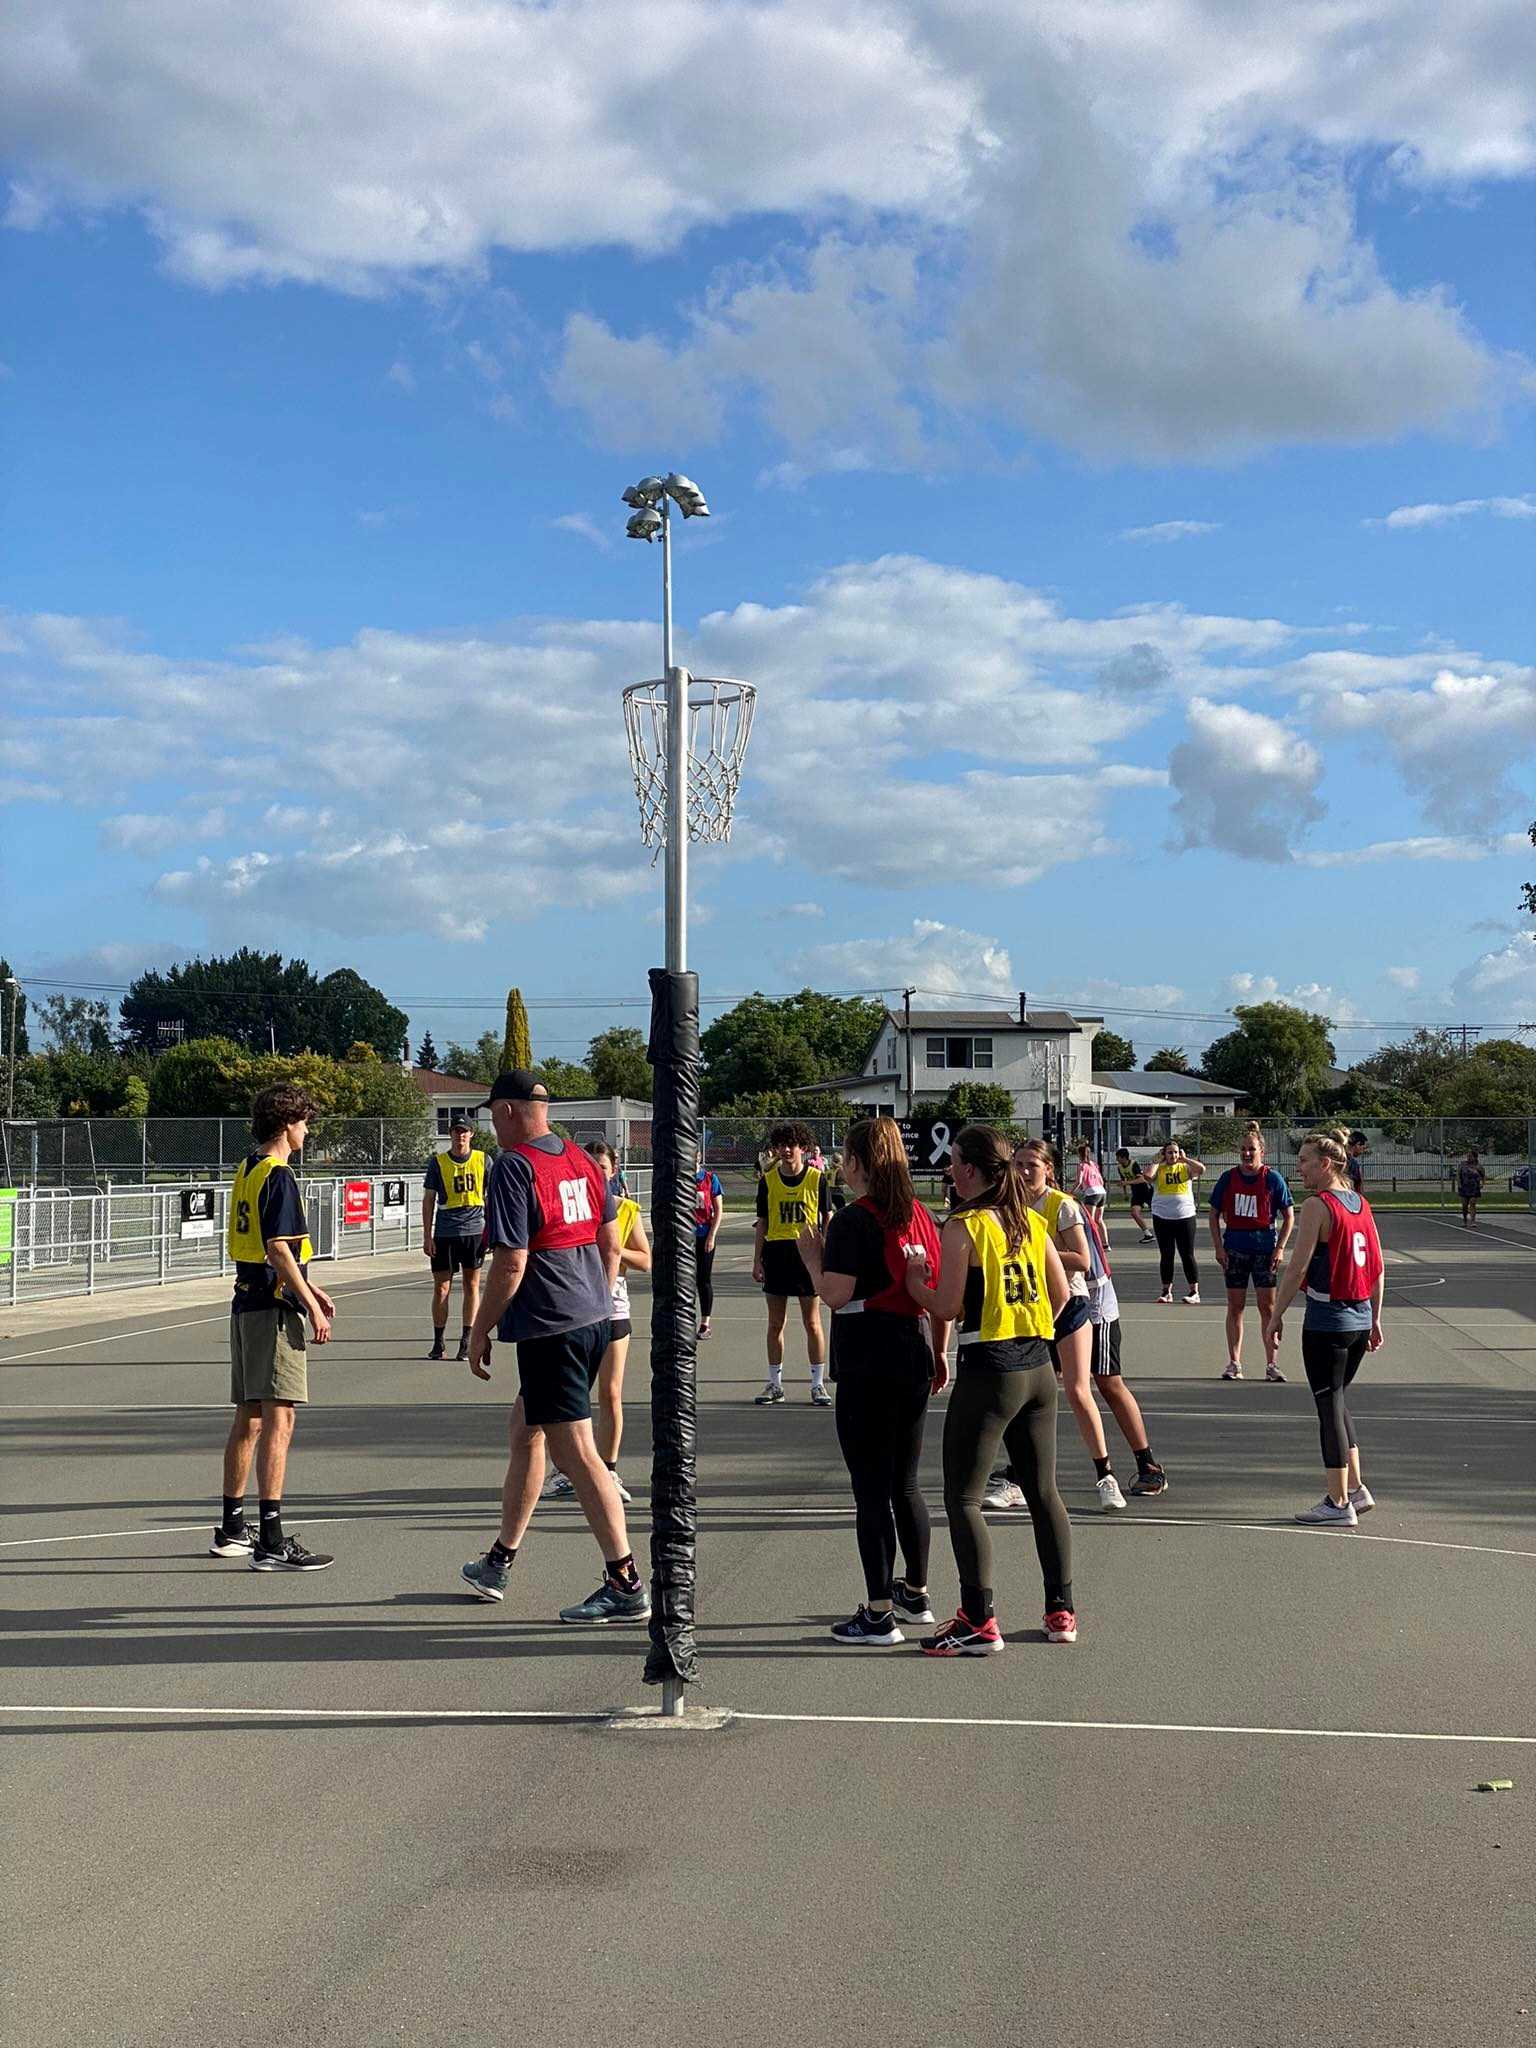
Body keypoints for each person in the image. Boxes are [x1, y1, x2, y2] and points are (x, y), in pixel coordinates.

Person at [459, 1072, 647, 1624]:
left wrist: (479, 1328)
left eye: (493, 1114)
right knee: (526, 1432)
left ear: (513, 1110)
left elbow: (511, 1261)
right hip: (591, 1317)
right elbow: (610, 1240)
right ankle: (499, 1559)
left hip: (551, 1326)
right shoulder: (582, 1160)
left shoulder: (515, 1167)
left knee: (577, 1455)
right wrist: (593, 1292)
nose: (491, 1125)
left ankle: (625, 1580)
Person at [906, 1124, 1077, 1654]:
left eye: (955, 1161)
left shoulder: (966, 1225)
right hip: (1039, 1368)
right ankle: (1060, 1610)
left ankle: (978, 1619)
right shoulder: (1029, 1218)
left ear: (973, 1170)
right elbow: (1064, 1292)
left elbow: (950, 1306)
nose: (949, 1170)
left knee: (963, 1497)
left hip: (990, 1367)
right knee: (1043, 1491)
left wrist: (916, 1280)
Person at [798, 1118, 948, 1646]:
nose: (841, 1164)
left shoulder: (853, 1221)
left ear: (859, 1163)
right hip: (913, 1342)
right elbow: (933, 1283)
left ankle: (879, 1611)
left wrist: (812, 1261)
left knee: (869, 1487)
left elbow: (836, 1295)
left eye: (845, 1156)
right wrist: (940, 1348)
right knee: (905, 1481)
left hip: (868, 1352)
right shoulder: (923, 1215)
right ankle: (917, 1591)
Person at [211, 1083, 336, 1572]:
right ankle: (271, 1539)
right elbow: (279, 1248)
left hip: (245, 1304)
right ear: (288, 1125)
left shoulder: (248, 1168)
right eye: (304, 1122)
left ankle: (231, 1527)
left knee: (249, 1419)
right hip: (272, 1309)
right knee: (280, 1420)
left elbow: (266, 1248)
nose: (307, 1130)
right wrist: (310, 1304)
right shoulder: (280, 1175)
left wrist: (311, 1283)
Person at [1002, 1140, 1164, 1508]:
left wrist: (1036, 1252)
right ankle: (1017, 1474)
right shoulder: (1013, 1206)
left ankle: (1147, 1463)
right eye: (1019, 1164)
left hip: (1090, 1301)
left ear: (1049, 1170)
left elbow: (1081, 1259)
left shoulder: (1062, 1206)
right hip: (1043, 1305)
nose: (1024, 1171)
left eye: (1032, 1164)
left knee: (1105, 1383)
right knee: (1033, 1390)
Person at [1264, 1127, 1384, 1527]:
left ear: (1326, 1164)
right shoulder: (1361, 1204)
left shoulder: (1320, 1205)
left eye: (1304, 1161)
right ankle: (1357, 1488)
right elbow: (1378, 1268)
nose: (1298, 1168)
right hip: (1359, 1316)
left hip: (1329, 1321)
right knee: (1337, 1399)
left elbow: (1297, 1266)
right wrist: (1376, 1317)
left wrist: (1275, 1314)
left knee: (1328, 1405)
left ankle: (1337, 1502)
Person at [540, 1139, 651, 1504]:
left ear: (613, 1171)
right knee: (568, 1397)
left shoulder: (627, 1210)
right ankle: (566, 1470)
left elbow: (646, 1259)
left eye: (603, 1168)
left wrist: (616, 1252)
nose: (597, 1174)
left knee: (611, 1392)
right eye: (591, 1167)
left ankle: (609, 1468)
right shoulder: (573, 1206)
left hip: (613, 1309)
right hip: (576, 1309)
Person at [752, 1120, 831, 1406]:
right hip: (777, 1255)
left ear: (803, 1148)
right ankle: (775, 1384)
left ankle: (818, 1384)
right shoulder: (768, 1180)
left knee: (813, 1323)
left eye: (791, 1145)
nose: (785, 1150)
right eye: (780, 1145)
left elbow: (826, 1219)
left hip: (807, 1257)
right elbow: (762, 1222)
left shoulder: (816, 1179)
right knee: (775, 1324)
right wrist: (757, 1260)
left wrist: (826, 1255)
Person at [1208, 1122, 1294, 1382]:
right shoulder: (1228, 1178)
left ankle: (1272, 1364)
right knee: (1235, 1307)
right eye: (1243, 1149)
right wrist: (1219, 1247)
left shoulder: (1272, 1179)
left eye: (1252, 1149)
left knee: (1268, 1308)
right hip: (1235, 1249)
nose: (1247, 1154)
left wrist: (1279, 1248)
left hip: (1264, 1251)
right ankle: (1234, 1362)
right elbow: (1213, 1214)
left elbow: (1289, 1215)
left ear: (1261, 1152)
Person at [421, 1112, 487, 1362]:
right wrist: (427, 1236)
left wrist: (491, 1231)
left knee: (471, 1285)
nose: (460, 1135)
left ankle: (466, 1339)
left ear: (471, 1134)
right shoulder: (438, 1163)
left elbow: (491, 1198)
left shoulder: (483, 1160)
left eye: (464, 1131)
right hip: (446, 1232)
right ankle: (438, 1342)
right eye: (456, 1131)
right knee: (442, 1288)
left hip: (473, 1232)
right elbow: (429, 1200)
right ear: (450, 1134)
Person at [1150, 1139, 1205, 1304]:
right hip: (1162, 1217)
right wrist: (1157, 1161)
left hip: (1185, 1217)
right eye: (1169, 1152)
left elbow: (1201, 1169)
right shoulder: (1159, 1168)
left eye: (1175, 1152)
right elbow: (1147, 1176)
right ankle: (1166, 1291)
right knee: (1166, 1255)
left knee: (1187, 1254)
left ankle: (1194, 1292)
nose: (1173, 1155)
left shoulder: (1186, 1168)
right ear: (1164, 1154)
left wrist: (1185, 1159)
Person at [695, 1160, 724, 1337]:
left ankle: (705, 1323)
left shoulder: (710, 1179)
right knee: (683, 1281)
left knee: (703, 1280)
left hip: (704, 1235)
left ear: (698, 1158)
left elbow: (718, 1209)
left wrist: (711, 1235)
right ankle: (684, 1320)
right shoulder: (680, 1179)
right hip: (685, 1238)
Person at [1072, 1139, 1109, 1245]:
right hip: (1102, 1192)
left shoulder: (1082, 1166)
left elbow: (1078, 1181)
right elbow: (1101, 1180)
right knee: (1099, 1220)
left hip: (1092, 1192)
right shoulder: (1094, 1164)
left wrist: (1071, 1192)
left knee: (1090, 1220)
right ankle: (1105, 1243)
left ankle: (1093, 1243)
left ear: (1080, 1154)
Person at [1127, 1156, 1154, 1242]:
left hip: (1146, 1191)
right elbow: (1123, 1180)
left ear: (1123, 1158)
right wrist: (1125, 1193)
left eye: (1118, 1157)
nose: (1117, 1160)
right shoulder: (1120, 1167)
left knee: (1158, 1213)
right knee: (1134, 1212)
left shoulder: (1133, 1165)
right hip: (1136, 1193)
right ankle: (1148, 1234)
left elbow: (1142, 1179)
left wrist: (1127, 1182)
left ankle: (1171, 1231)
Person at [1457, 1147, 1486, 1227]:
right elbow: (1458, 1175)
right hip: (1464, 1187)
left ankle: (1473, 1221)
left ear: (1475, 1157)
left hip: (1474, 1187)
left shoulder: (1478, 1166)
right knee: (1464, 1205)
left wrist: (1482, 1183)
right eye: (1468, 1156)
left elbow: (1483, 1176)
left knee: (1472, 1203)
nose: (1469, 1158)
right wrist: (1459, 1184)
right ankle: (1465, 1220)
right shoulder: (1463, 1164)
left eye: (1470, 1156)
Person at [1346, 1132, 1368, 1196]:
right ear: (1357, 1144)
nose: (1363, 1151)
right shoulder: (1352, 1163)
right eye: (1363, 1148)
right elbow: (1358, 1187)